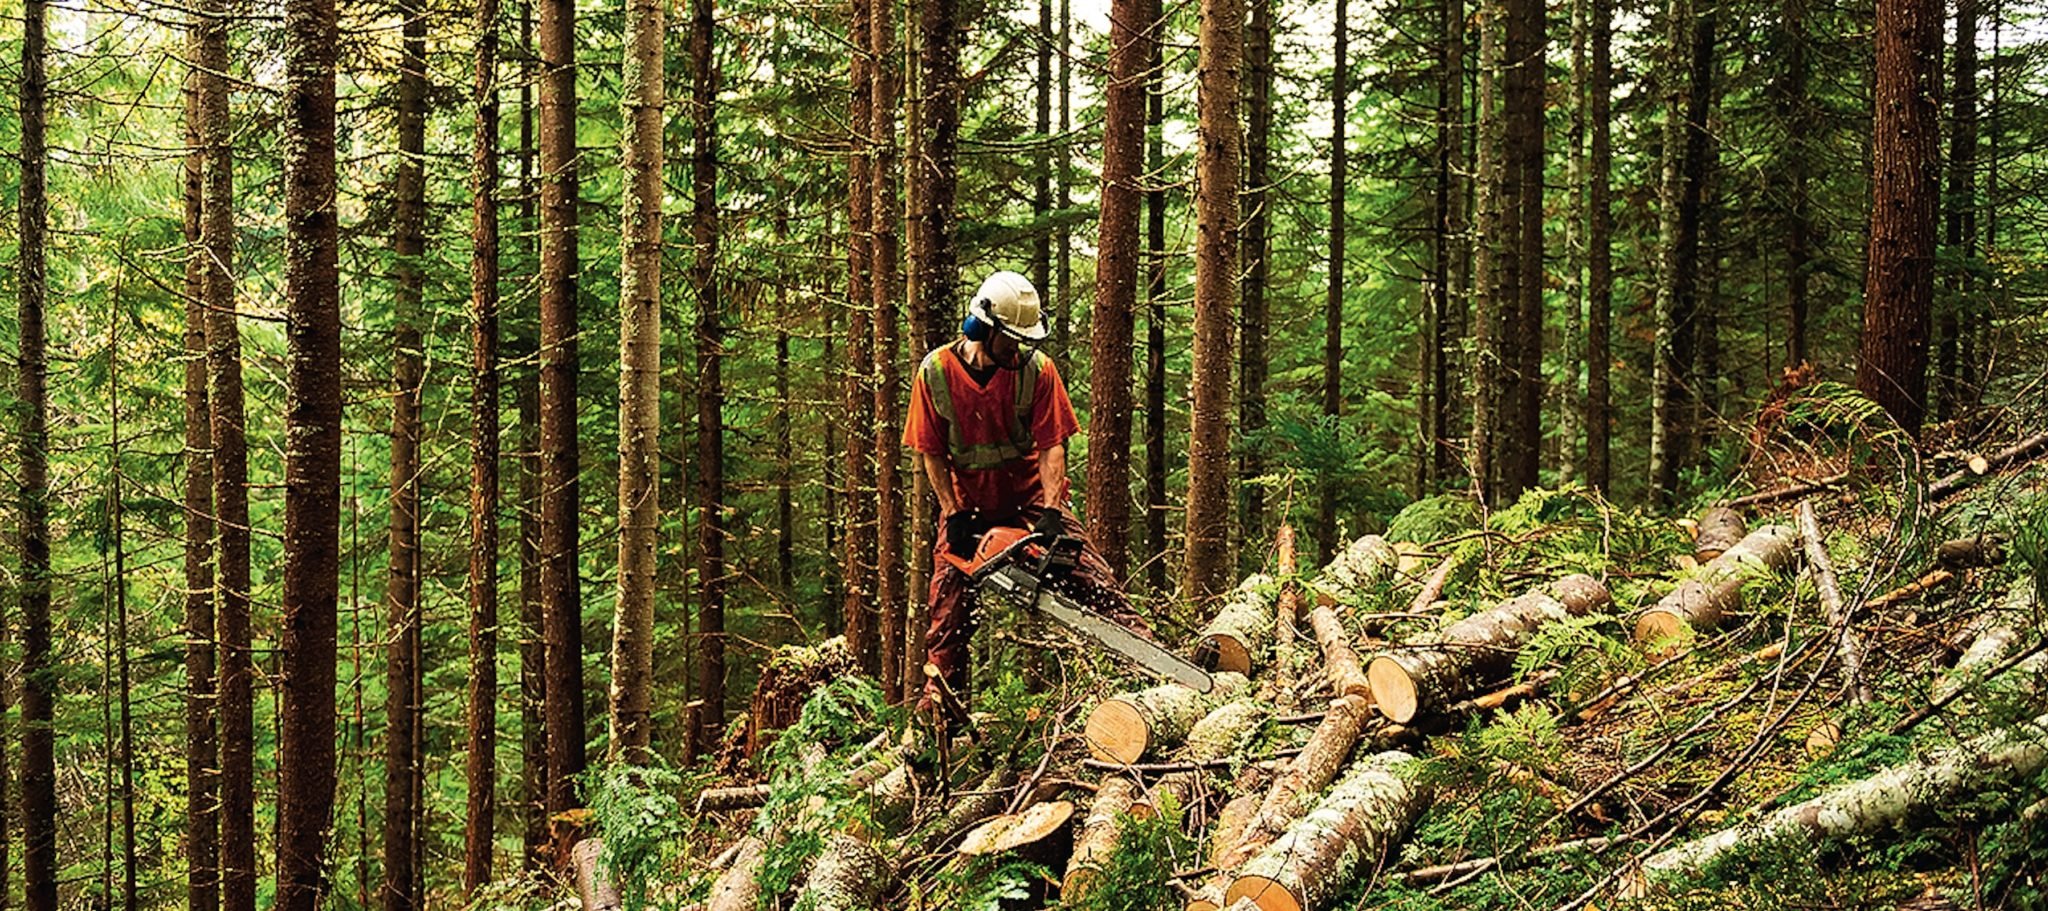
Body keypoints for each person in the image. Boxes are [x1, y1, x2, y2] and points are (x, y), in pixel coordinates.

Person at [903, 270, 1146, 711]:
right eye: (1011, 339)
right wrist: (952, 512)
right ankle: (938, 715)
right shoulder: (935, 373)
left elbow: (1053, 444)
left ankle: (1150, 664)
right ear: (986, 328)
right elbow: (931, 452)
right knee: (946, 616)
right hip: (967, 508)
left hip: (1030, 499)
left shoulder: (1036, 372)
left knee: (1092, 578)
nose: (1017, 348)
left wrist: (1051, 512)